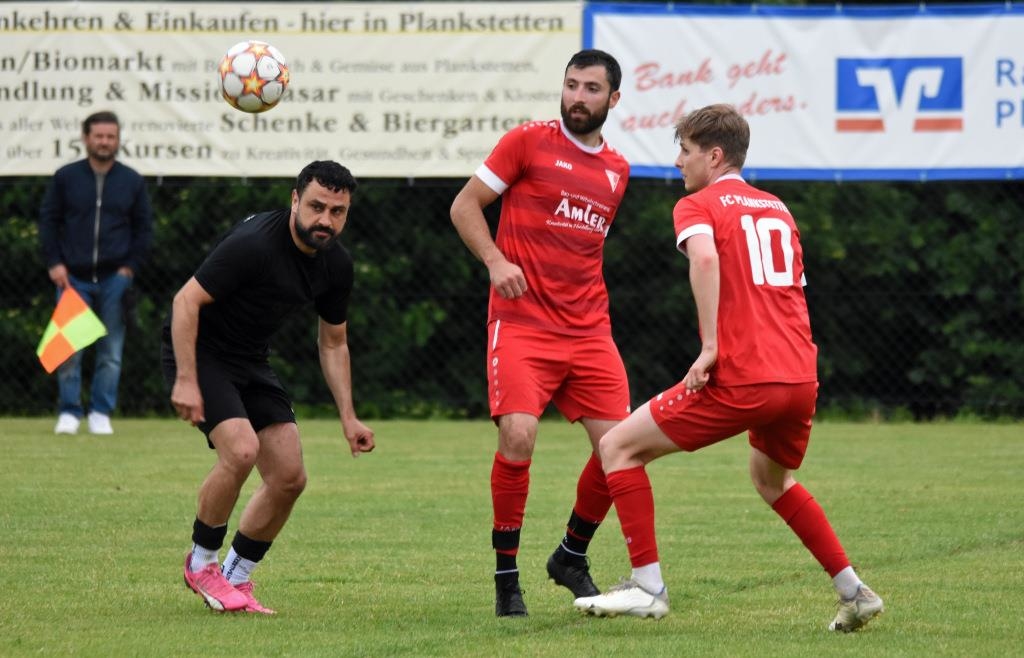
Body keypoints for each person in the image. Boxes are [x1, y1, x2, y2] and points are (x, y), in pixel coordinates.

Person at [573, 104, 885, 632]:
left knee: (617, 448)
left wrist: (711, 346)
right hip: (799, 376)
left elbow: (705, 260)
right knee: (772, 480)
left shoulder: (699, 204)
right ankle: (854, 592)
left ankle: (647, 587)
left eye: (686, 151)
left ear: (714, 156)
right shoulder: (778, 209)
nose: (678, 162)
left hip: (745, 374)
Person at [450, 49, 632, 617]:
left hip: (589, 330)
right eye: (572, 85)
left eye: (592, 89)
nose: (578, 97)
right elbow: (464, 206)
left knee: (622, 449)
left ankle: (570, 555)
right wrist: (496, 261)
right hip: (523, 323)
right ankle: (507, 577)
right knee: (520, 438)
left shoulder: (617, 170)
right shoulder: (527, 141)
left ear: (613, 100)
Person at [162, 160, 375, 614]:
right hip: (201, 352)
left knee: (289, 478)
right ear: (295, 199)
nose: (326, 220)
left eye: (338, 211)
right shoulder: (254, 244)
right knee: (240, 450)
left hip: (249, 360)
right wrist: (184, 378)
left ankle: (235, 579)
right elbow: (186, 301)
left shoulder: (336, 265)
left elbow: (334, 342)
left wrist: (348, 415)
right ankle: (201, 563)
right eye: (317, 206)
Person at [39, 110, 153, 436]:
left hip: (115, 279)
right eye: (99, 136)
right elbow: (48, 222)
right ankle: (69, 411)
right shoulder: (65, 177)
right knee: (70, 348)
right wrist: (54, 263)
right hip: (71, 277)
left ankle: (101, 412)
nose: (105, 142)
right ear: (86, 137)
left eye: (110, 136)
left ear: (117, 140)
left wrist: (129, 268)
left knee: (112, 350)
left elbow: (144, 229)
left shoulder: (132, 180)